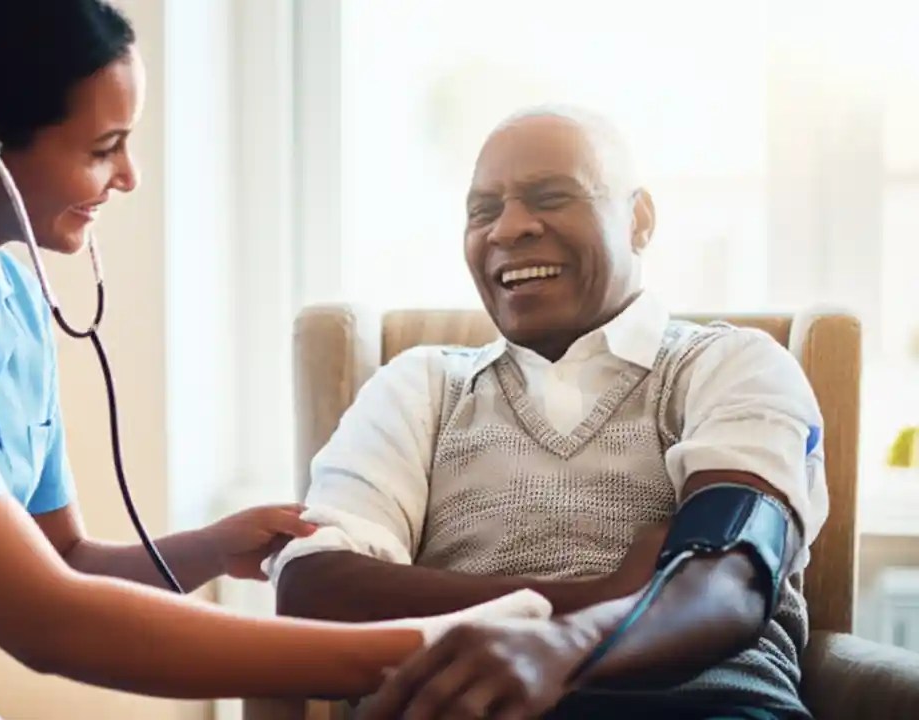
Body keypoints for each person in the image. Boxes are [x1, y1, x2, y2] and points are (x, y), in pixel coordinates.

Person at [0, 2, 550, 718]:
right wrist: (421, 646)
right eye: (105, 148)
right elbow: (47, 621)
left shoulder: (10, 296)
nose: (129, 178)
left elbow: (61, 559)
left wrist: (212, 546)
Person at [272, 107, 828, 720]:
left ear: (639, 220)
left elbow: (730, 580)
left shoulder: (731, 366)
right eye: (483, 210)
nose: (508, 229)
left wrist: (567, 645)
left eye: (550, 196)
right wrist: (611, 598)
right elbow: (314, 588)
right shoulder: (419, 385)